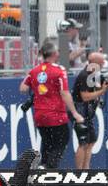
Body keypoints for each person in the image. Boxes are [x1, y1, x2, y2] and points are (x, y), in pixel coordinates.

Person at [20, 40, 81, 169]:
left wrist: (38, 88)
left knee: (47, 142)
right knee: (61, 142)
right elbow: (64, 93)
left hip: (40, 115)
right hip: (56, 115)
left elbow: (23, 88)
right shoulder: (59, 70)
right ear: (54, 54)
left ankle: (42, 166)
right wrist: (75, 113)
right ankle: (48, 167)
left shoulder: (34, 71)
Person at [71, 51, 108, 170]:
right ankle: (80, 171)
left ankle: (86, 169)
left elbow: (96, 89)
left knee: (91, 141)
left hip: (88, 112)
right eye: (101, 63)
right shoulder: (84, 76)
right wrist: (102, 91)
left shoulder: (94, 75)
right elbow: (85, 96)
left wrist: (103, 87)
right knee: (83, 143)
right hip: (81, 111)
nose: (103, 64)